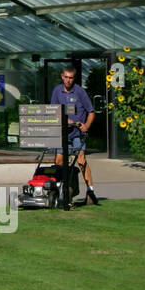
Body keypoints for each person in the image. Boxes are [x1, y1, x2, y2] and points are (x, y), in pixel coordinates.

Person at [51, 66, 99, 205]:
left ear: (74, 78)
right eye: (66, 77)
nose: (68, 80)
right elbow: (53, 111)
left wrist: (86, 126)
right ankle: (62, 191)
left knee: (81, 161)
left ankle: (90, 191)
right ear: (62, 76)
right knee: (59, 162)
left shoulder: (80, 92)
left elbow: (91, 111)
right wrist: (63, 120)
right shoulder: (57, 91)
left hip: (77, 133)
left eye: (71, 77)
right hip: (62, 133)